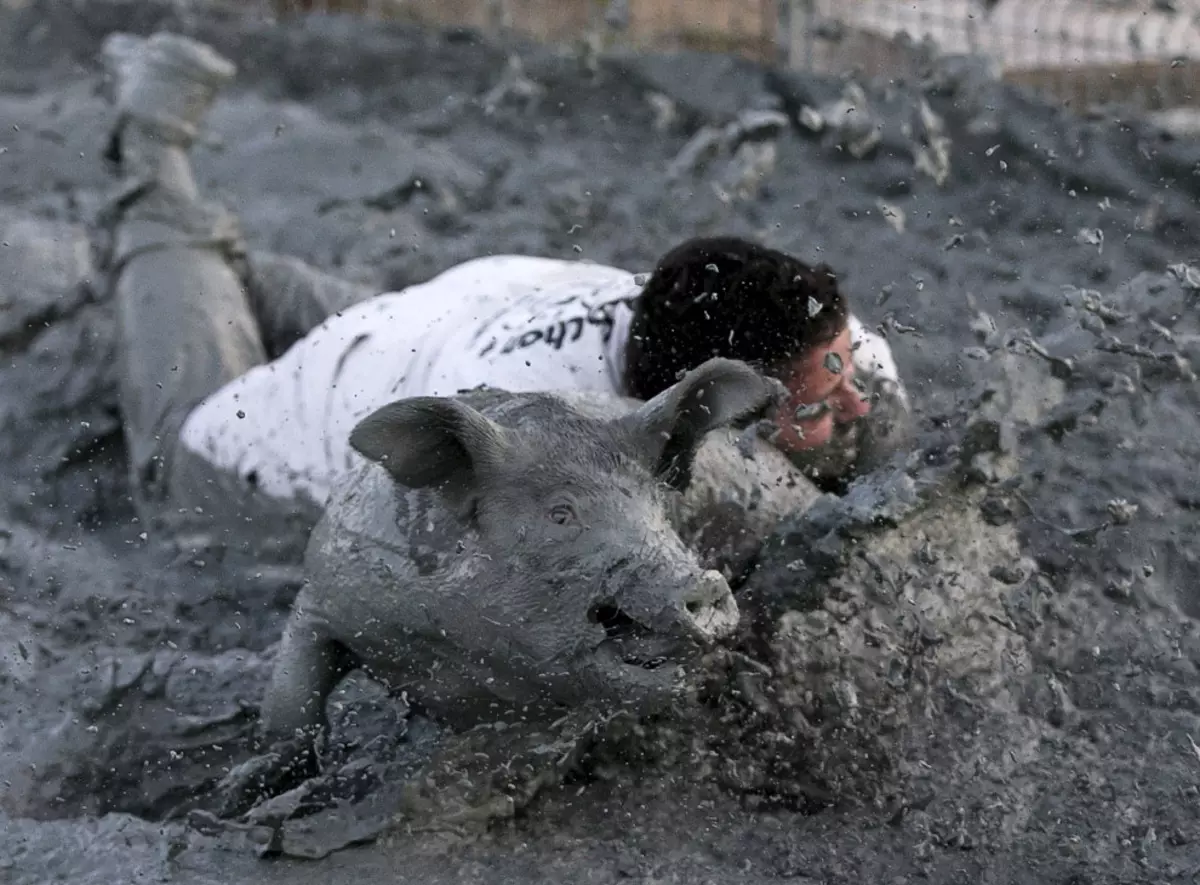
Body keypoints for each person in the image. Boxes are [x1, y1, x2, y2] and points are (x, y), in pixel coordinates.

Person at [102, 34, 910, 541]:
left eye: (842, 371)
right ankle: (150, 148)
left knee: (251, 284)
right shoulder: (547, 450)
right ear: (698, 404)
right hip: (281, 422)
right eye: (818, 405)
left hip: (427, 319)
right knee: (175, 414)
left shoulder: (783, 316)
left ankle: (232, 266)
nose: (858, 403)